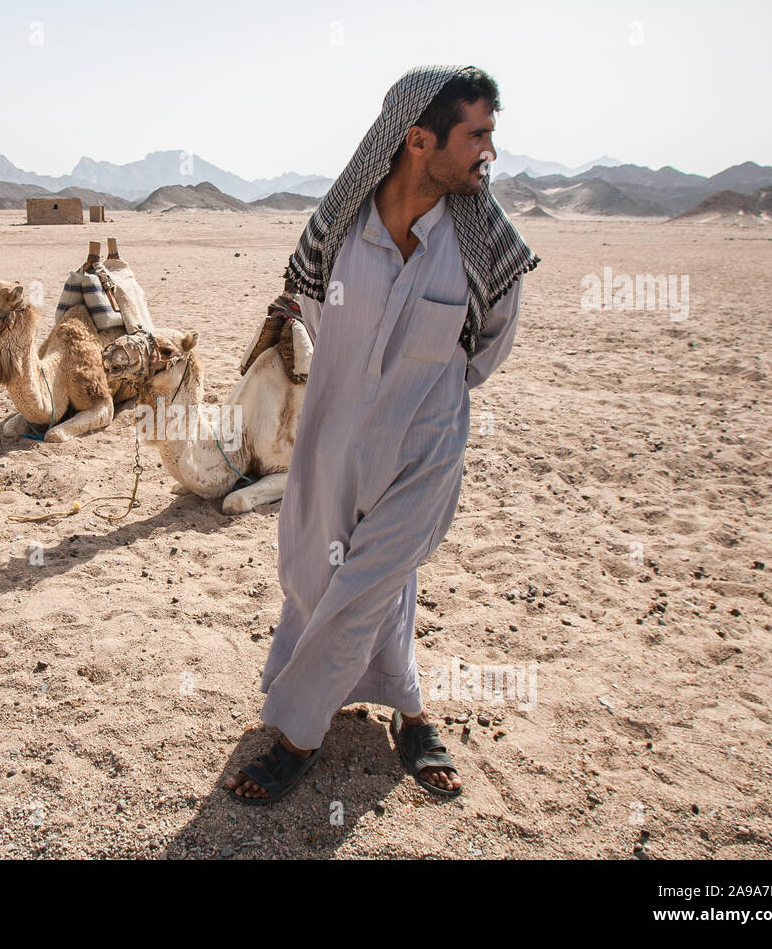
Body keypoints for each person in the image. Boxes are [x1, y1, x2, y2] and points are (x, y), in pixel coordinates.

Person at [226, 65, 539, 804]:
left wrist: (417, 392)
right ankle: (410, 710)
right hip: (332, 439)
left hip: (426, 446)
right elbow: (316, 320)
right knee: (320, 579)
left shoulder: (486, 249)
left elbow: (487, 351)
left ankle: (296, 735)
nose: (489, 152)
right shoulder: (336, 234)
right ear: (418, 138)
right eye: (477, 135)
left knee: (368, 580)